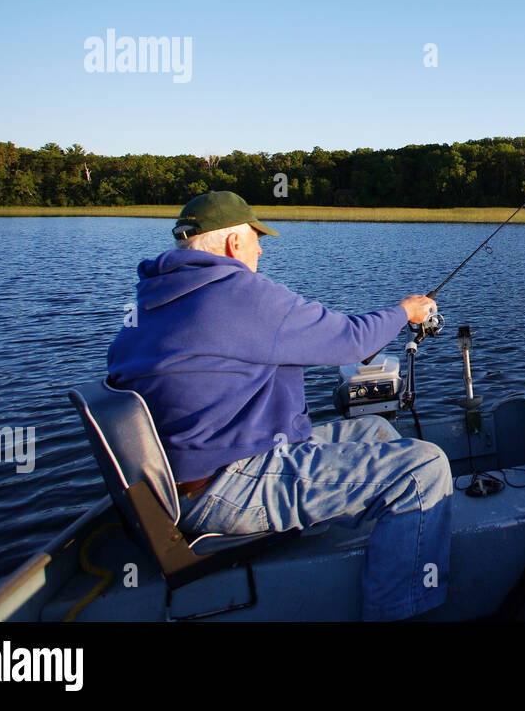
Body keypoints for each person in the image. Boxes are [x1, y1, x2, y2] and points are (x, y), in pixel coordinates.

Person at [106, 190, 452, 620]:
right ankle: (400, 610)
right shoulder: (237, 292)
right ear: (234, 244)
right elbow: (351, 341)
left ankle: (383, 542)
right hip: (225, 486)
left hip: (178, 483)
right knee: (424, 468)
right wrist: (406, 311)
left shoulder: (153, 298)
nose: (261, 248)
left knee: (376, 431)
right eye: (256, 238)